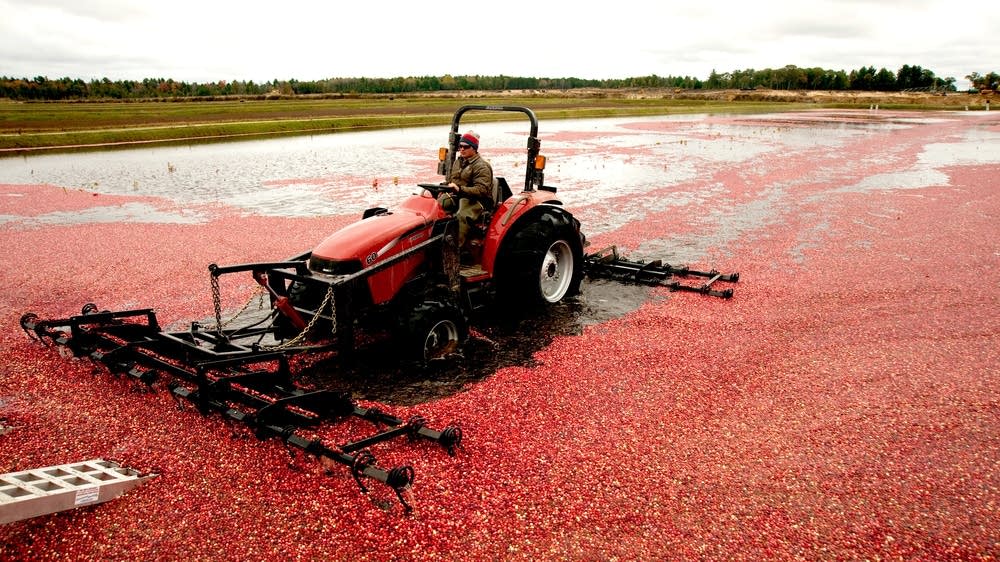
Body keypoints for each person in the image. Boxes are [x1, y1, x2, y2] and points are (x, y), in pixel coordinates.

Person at [438, 130, 495, 256]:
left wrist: (459, 189)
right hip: (459, 195)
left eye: (466, 147)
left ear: (474, 148)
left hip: (479, 200)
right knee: (437, 205)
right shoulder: (458, 162)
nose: (462, 149)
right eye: (460, 146)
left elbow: (482, 190)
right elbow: (452, 181)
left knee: (462, 215)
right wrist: (442, 187)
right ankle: (435, 240)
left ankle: (455, 251)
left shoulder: (482, 166)